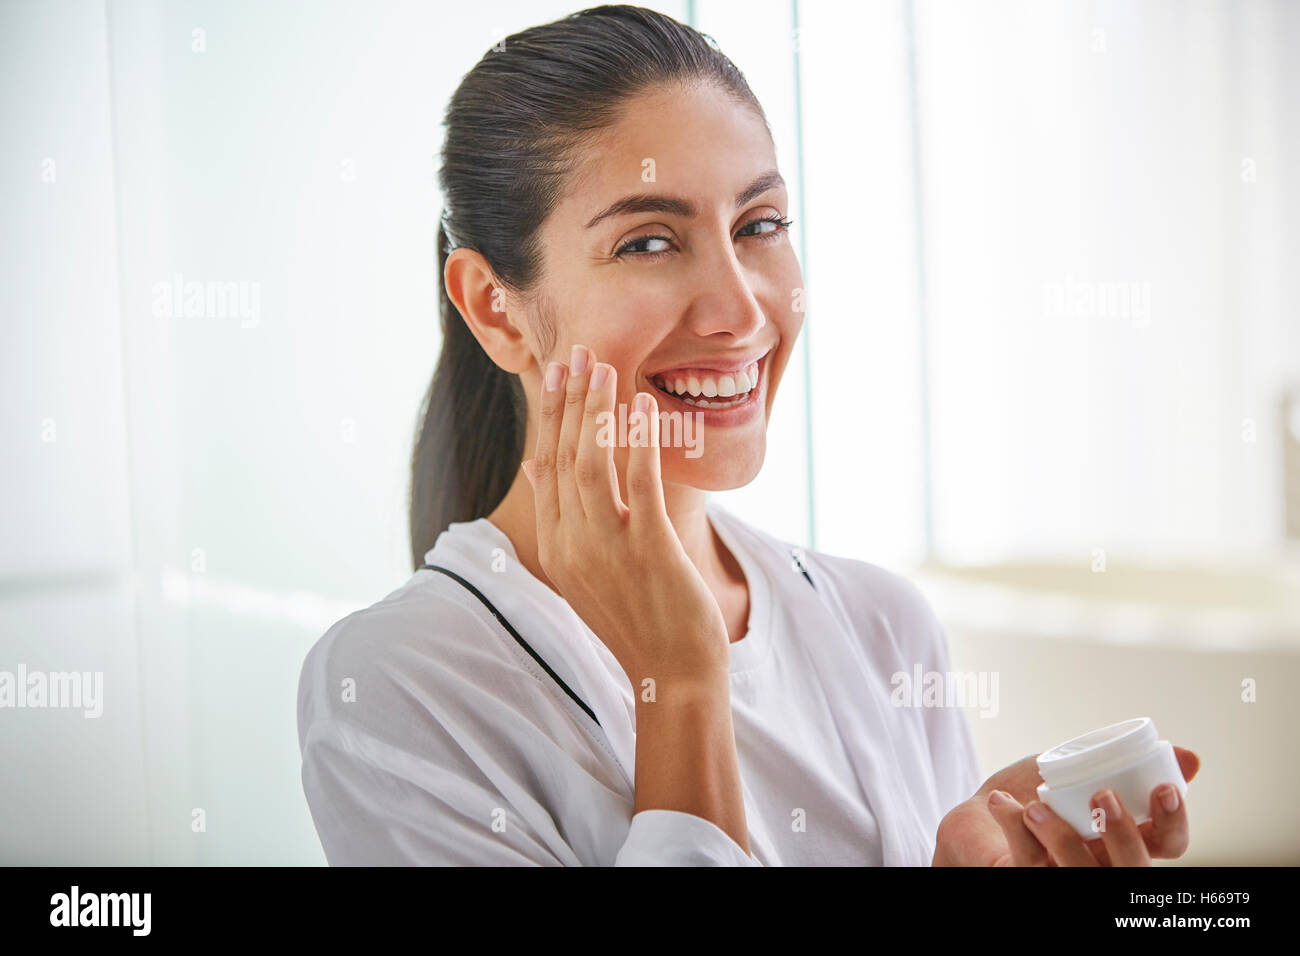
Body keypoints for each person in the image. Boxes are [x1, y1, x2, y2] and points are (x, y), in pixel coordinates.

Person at [297, 3, 1198, 866]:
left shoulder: (881, 626)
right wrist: (680, 682)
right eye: (649, 243)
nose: (739, 310)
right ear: (496, 309)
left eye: (759, 225)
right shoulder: (396, 687)